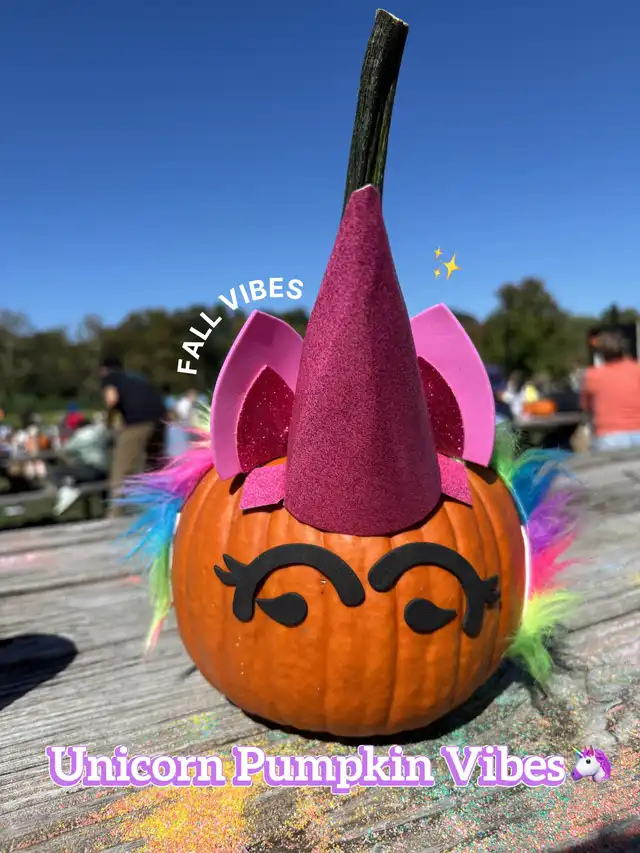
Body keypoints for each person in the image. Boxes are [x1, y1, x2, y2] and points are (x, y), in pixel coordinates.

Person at [99, 355, 167, 516]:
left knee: (122, 470)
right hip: (160, 421)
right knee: (154, 467)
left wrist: (108, 422)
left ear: (104, 369)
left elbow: (112, 399)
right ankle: (165, 506)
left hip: (137, 422)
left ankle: (114, 514)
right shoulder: (137, 377)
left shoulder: (110, 377)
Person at [580, 331, 640, 451]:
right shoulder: (637, 370)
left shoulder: (592, 375)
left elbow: (586, 406)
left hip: (608, 436)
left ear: (600, 353)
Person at [51, 416, 111, 515]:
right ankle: (109, 509)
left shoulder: (79, 436)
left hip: (89, 470)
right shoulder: (101, 432)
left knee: (56, 472)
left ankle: (66, 491)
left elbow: (65, 449)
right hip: (103, 470)